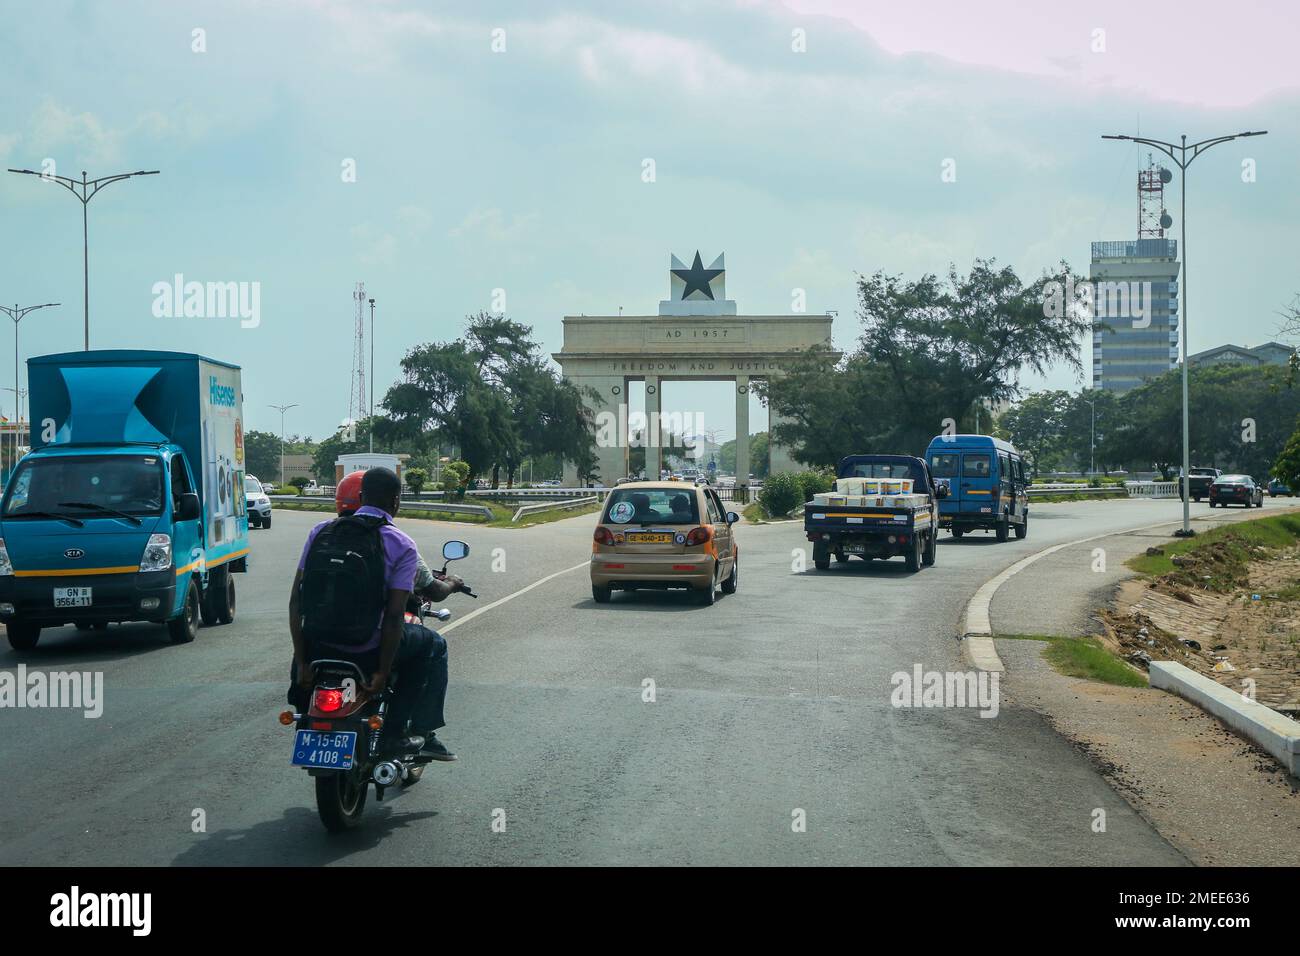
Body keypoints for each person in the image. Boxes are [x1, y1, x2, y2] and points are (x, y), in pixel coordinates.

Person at [289, 467, 457, 761]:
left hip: (317, 646)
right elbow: (394, 615)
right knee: (433, 645)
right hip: (368, 647)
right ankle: (405, 733)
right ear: (396, 502)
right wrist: (381, 670)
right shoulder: (400, 543)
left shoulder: (320, 532)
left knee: (314, 636)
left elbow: (296, 601)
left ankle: (303, 709)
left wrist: (302, 661)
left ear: (361, 496)